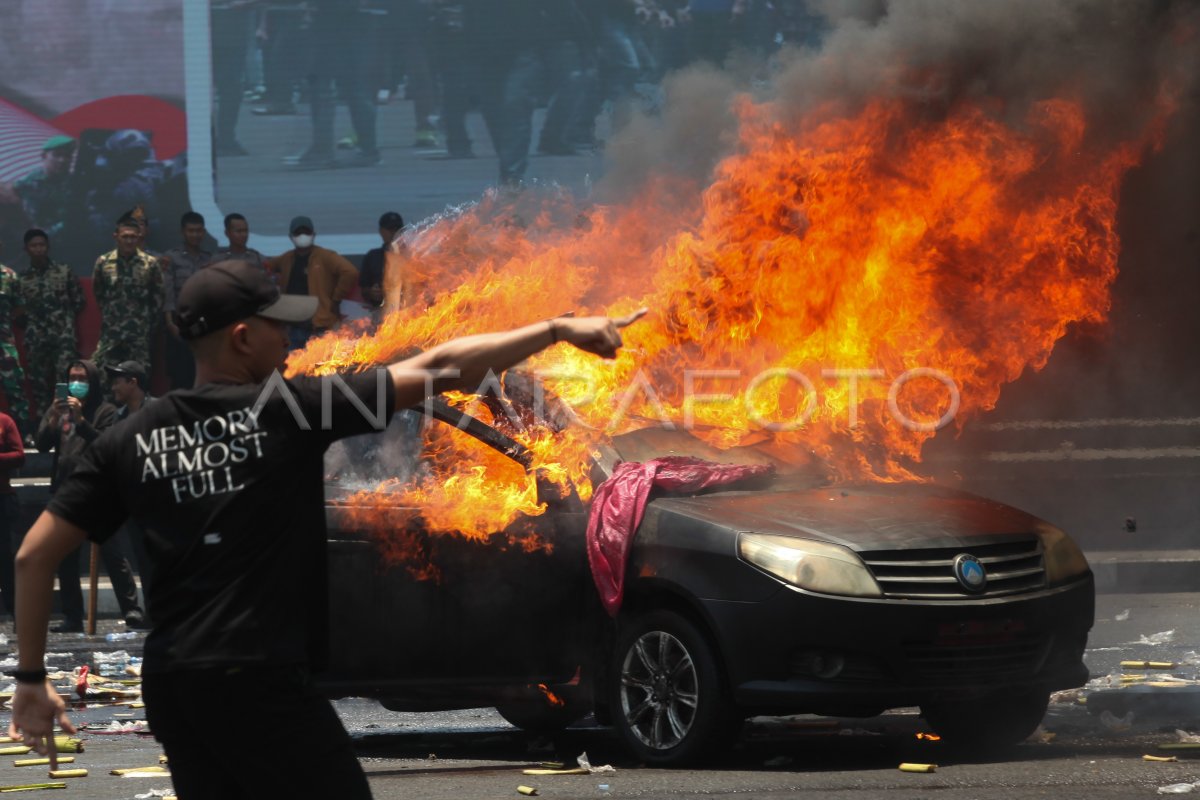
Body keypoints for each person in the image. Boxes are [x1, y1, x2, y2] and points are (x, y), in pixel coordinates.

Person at [8, 259, 642, 795]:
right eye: (276, 326)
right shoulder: (291, 411)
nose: (288, 338)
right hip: (260, 677)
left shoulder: (129, 439)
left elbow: (34, 558)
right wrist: (557, 329)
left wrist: (32, 682)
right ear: (241, 336)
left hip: (176, 686)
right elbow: (443, 367)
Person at [33, 360, 145, 632]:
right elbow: (41, 445)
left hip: (98, 491)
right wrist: (53, 419)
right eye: (72, 378)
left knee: (113, 553)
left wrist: (81, 421)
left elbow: (105, 444)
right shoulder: (58, 409)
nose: (76, 383)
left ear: (92, 381)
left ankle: (132, 610)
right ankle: (73, 616)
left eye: (82, 378)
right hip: (65, 489)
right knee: (66, 558)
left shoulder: (106, 411)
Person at [17, 230, 85, 427]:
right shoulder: (21, 279)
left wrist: (62, 320)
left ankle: (64, 419)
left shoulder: (63, 271)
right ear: (26, 249)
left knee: (63, 380)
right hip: (35, 339)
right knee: (38, 382)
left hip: (62, 337)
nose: (38, 249)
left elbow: (78, 301)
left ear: (48, 247)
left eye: (42, 245)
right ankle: (43, 423)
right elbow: (18, 312)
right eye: (33, 246)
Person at [106, 360, 156, 605]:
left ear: (133, 382)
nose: (113, 387)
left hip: (161, 499)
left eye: (118, 381)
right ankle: (153, 610)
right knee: (143, 558)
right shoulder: (120, 417)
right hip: (135, 501)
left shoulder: (158, 410)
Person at [270, 216, 358, 349]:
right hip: (293, 327)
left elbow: (350, 272)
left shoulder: (325, 256)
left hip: (318, 326)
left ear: (313, 235)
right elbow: (265, 267)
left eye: (306, 232)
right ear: (291, 236)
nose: (302, 236)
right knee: (293, 368)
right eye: (298, 233)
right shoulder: (287, 259)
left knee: (322, 367)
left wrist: (336, 299)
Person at [91, 217, 165, 373]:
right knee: (105, 374)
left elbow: (158, 298)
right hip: (112, 332)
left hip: (138, 333)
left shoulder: (150, 263)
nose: (129, 241)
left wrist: (146, 323)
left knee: (139, 377)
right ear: (116, 236)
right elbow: (99, 294)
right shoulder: (103, 262)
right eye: (125, 236)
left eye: (133, 237)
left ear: (139, 237)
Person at [162, 213, 213, 390]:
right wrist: (170, 323)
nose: (195, 235)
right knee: (180, 375)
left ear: (204, 232)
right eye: (191, 231)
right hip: (180, 323)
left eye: (199, 231)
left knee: (203, 374)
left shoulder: (209, 259)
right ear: (183, 232)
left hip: (204, 324)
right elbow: (167, 292)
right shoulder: (172, 258)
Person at [12, 136, 76, 239]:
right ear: (44, 156)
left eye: (68, 156)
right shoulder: (32, 182)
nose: (62, 160)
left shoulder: (75, 183)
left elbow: (74, 215)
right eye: (57, 155)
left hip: (65, 238)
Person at [0, 239, 28, 436]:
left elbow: (19, 307)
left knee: (15, 388)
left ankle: (22, 434)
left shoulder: (9, 276)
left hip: (4, 341)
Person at [0, 409, 24, 619]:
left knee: (6, 555)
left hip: (2, 496)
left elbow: (19, 455)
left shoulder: (5, 421)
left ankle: (14, 607)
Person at [360, 211, 403, 312]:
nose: (394, 233)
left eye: (397, 229)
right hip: (381, 311)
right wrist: (372, 293)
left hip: (409, 312)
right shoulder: (372, 257)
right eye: (390, 229)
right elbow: (363, 289)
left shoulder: (412, 256)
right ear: (381, 231)